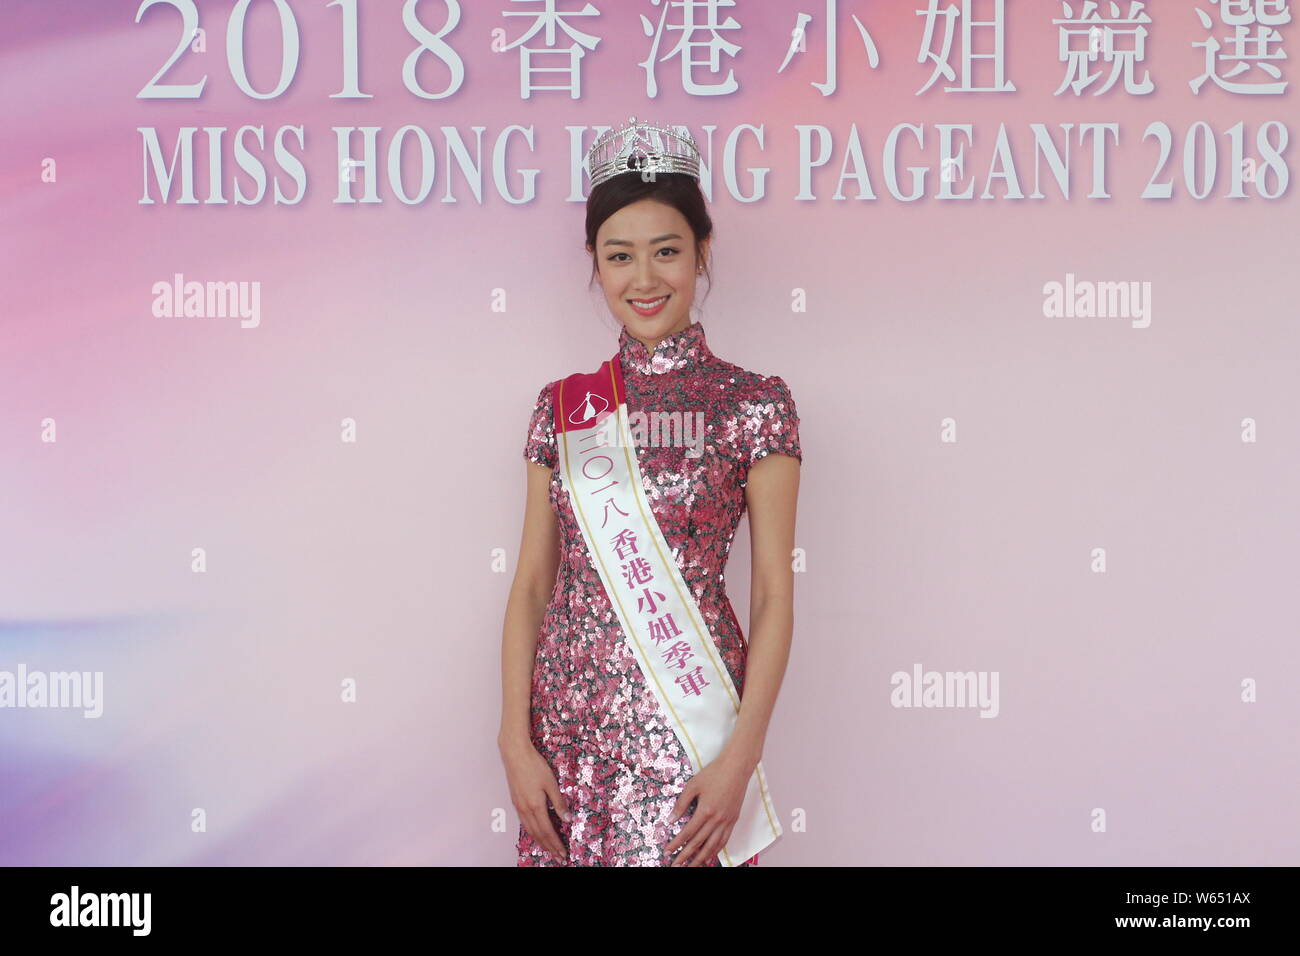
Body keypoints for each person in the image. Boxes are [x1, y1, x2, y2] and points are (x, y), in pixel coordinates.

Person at [499, 118, 803, 867]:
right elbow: (535, 583)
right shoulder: (563, 406)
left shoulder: (753, 403)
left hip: (688, 724)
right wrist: (513, 737)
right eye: (619, 256)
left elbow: (772, 596)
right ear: (595, 266)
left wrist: (740, 760)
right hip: (567, 733)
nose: (644, 279)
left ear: (700, 254)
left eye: (666, 251)